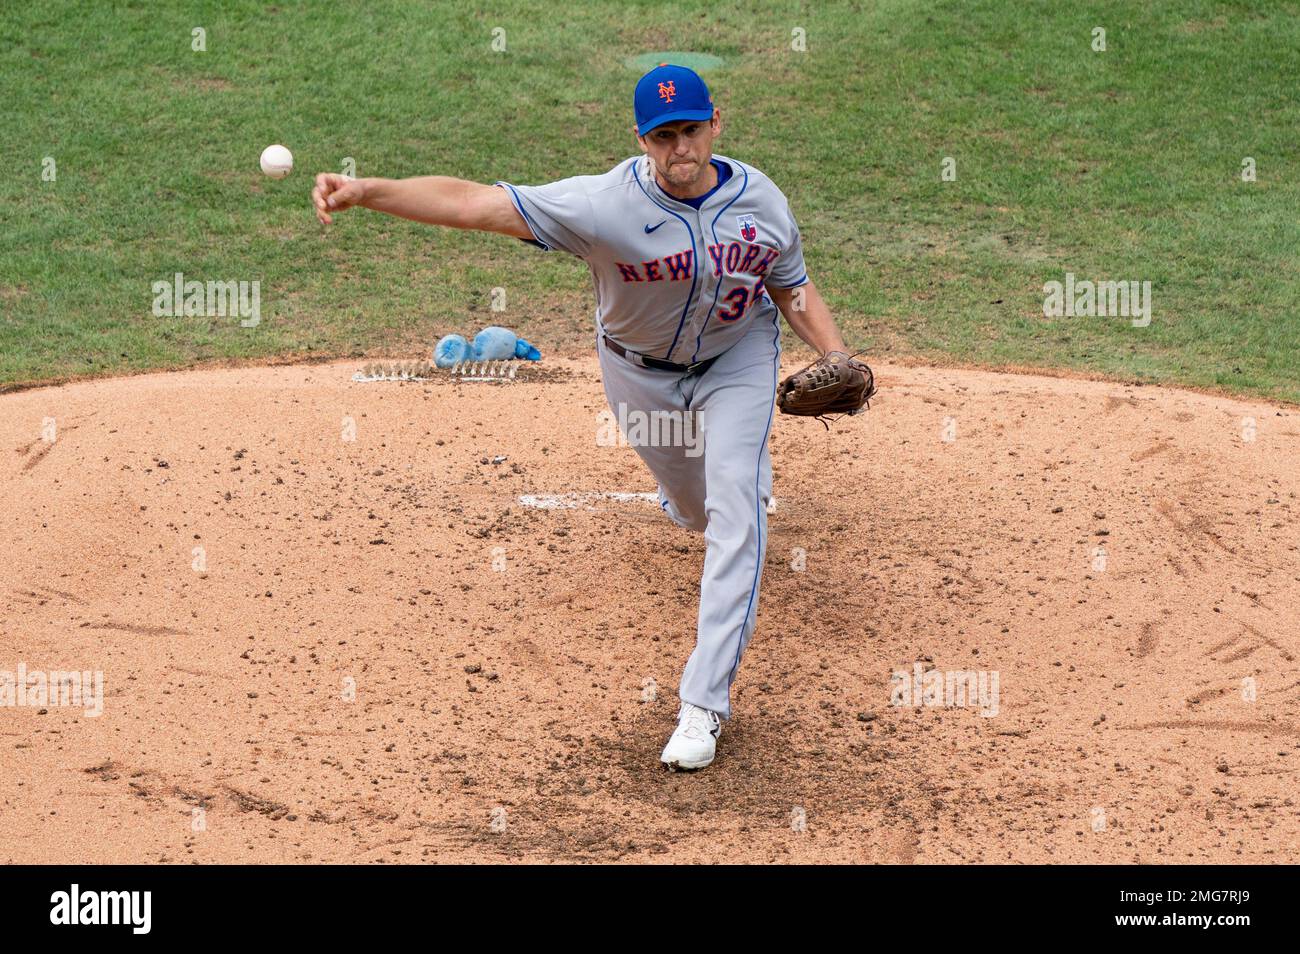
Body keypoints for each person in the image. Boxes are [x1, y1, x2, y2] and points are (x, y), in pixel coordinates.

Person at [312, 64, 856, 771]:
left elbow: (790, 285)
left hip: (737, 362)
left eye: (691, 131)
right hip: (638, 376)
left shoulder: (762, 200)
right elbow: (477, 203)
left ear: (715, 124)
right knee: (695, 511)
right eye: (664, 137)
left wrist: (837, 351)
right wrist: (367, 192)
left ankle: (703, 703)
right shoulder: (603, 206)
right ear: (641, 139)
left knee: (739, 509)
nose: (680, 150)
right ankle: (696, 488)